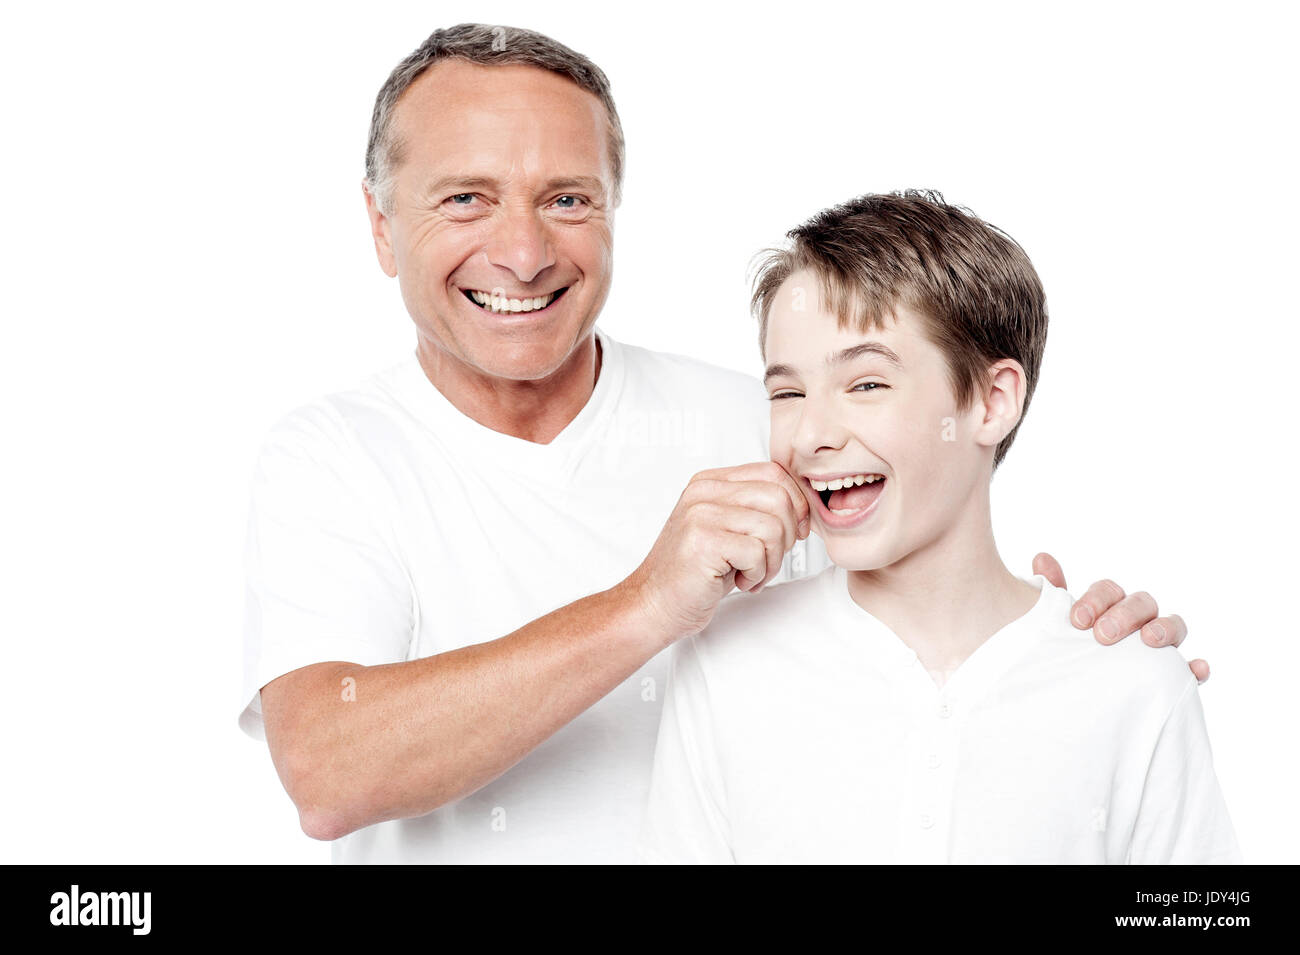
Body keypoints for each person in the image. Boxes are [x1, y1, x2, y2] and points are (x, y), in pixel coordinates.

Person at [239, 24, 1197, 864]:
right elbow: (328, 769)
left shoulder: (771, 423)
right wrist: (647, 606)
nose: (524, 253)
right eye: (466, 200)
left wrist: (1081, 680)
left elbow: (929, 635)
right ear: (379, 225)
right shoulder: (332, 458)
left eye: (567, 199)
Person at [640, 191, 1240, 864]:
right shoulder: (725, 662)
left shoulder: (1132, 681)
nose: (810, 435)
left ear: (992, 400)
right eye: (787, 393)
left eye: (865, 384)